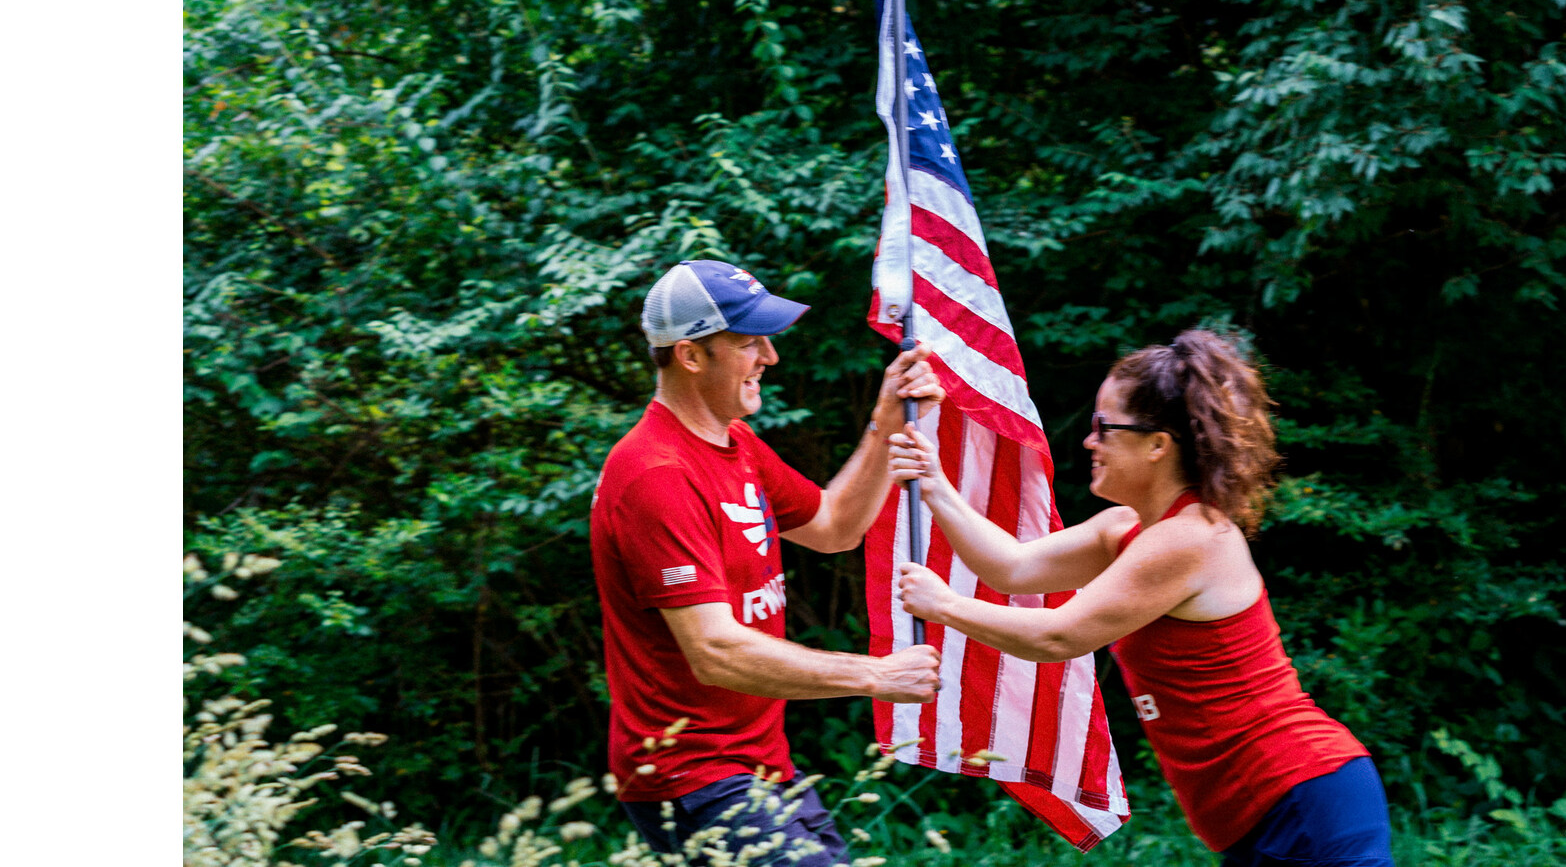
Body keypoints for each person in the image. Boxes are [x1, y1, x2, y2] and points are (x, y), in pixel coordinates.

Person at [889, 329, 1393, 867]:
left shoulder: (1189, 538)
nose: (1090, 441)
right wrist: (935, 481)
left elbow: (1058, 634)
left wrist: (946, 607)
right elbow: (1012, 567)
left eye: (1104, 427)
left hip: (1301, 795)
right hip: (1264, 812)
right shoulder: (1127, 529)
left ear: (1158, 445)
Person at [590, 259, 944, 867]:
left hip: (761, 764)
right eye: (748, 342)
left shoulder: (736, 443)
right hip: (691, 775)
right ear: (690, 356)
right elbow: (716, 650)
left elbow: (835, 527)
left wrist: (887, 423)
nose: (770, 358)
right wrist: (876, 675)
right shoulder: (656, 477)